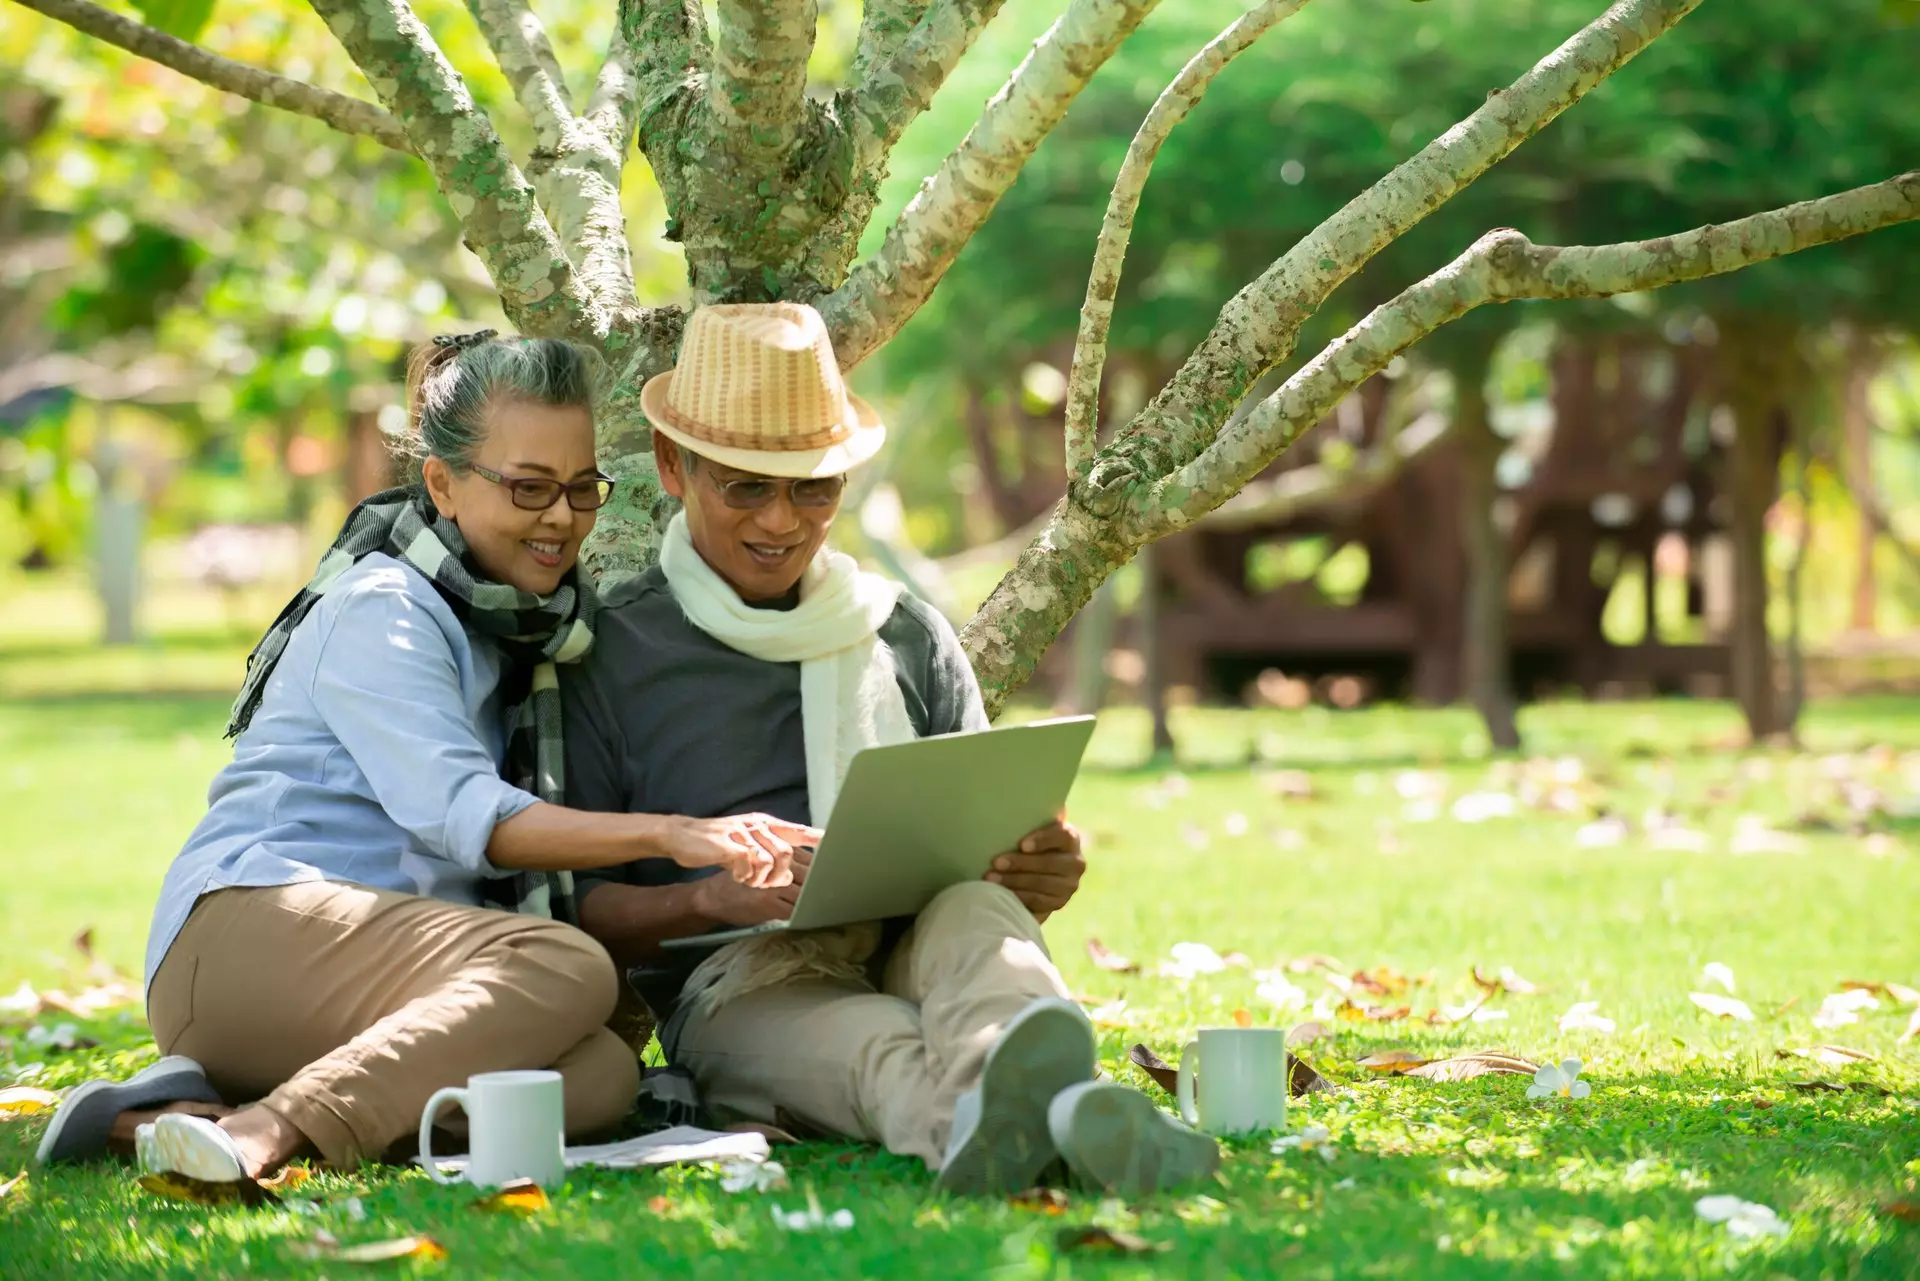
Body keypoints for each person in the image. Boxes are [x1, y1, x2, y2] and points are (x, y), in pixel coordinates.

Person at [35, 332, 803, 1183]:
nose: (561, 518)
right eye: (529, 488)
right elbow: (470, 817)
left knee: (598, 1075)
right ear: (441, 483)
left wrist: (708, 892)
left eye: (581, 489)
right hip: (246, 933)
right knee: (561, 963)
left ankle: (171, 1117)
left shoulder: (527, 631)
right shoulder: (383, 606)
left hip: (384, 979)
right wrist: (676, 833)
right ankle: (271, 1125)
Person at [561, 302, 1218, 1197]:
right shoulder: (614, 653)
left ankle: (1036, 1111)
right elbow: (574, 910)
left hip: (922, 938)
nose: (782, 522)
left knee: (987, 924)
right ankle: (1061, 1120)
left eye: (813, 488)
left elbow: (976, 825)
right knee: (880, 1054)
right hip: (743, 983)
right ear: (674, 467)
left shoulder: (902, 633)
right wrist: (710, 895)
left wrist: (1042, 867)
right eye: (746, 486)